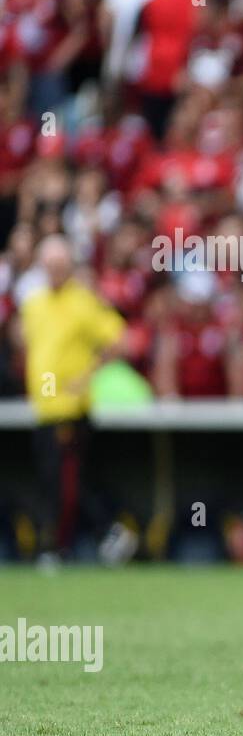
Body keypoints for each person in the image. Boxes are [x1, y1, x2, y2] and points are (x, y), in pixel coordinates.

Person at [19, 235, 137, 563]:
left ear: (69, 267)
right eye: (50, 265)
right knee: (53, 479)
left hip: (70, 409)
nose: (55, 271)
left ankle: (60, 545)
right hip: (44, 408)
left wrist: (86, 376)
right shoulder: (34, 303)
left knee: (66, 482)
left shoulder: (82, 301)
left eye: (61, 265)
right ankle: (103, 532)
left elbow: (119, 339)